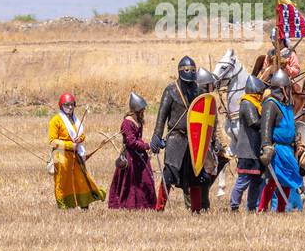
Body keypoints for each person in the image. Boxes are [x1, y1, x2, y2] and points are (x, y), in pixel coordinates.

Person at [151, 56, 219, 212]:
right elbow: (162, 116)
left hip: (193, 140)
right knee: (169, 174)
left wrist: (212, 139)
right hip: (176, 138)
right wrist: (157, 136)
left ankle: (196, 210)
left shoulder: (197, 90)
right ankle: (159, 208)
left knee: (196, 176)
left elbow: (207, 116)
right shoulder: (171, 90)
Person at [48, 93, 105, 209]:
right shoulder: (55, 120)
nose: (70, 107)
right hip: (61, 155)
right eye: (67, 105)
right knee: (62, 182)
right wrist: (70, 145)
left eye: (72, 105)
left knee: (81, 180)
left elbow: (82, 135)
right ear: (61, 106)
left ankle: (84, 204)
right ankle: (63, 206)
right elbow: (52, 141)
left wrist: (80, 139)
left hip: (76, 155)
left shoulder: (75, 120)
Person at [257, 69, 304, 211]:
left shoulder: (285, 105)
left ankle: (281, 209)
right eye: (288, 88)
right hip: (277, 149)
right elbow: (266, 127)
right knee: (274, 180)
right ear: (282, 88)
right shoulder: (270, 104)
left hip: (288, 148)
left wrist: (297, 140)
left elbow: (291, 126)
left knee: (287, 179)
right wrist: (266, 146)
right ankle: (262, 208)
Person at [108, 91, 157, 210]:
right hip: (130, 156)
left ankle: (145, 204)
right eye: (142, 109)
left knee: (145, 180)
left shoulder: (138, 120)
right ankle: (128, 204)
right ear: (137, 108)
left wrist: (145, 148)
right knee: (130, 182)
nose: (143, 111)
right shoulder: (127, 122)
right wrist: (146, 146)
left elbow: (137, 139)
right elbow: (131, 142)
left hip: (139, 155)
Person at [230, 75, 266, 212]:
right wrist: (268, 120)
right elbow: (254, 123)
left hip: (255, 149)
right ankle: (234, 206)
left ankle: (251, 207)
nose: (261, 95)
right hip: (247, 150)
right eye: (260, 93)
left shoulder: (256, 104)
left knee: (256, 181)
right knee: (243, 181)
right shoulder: (247, 103)